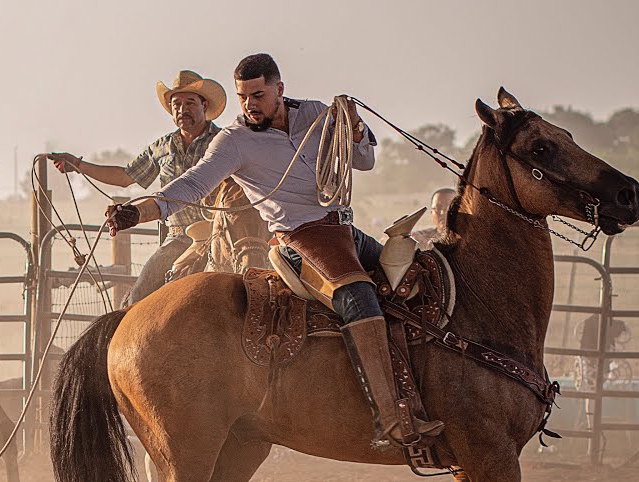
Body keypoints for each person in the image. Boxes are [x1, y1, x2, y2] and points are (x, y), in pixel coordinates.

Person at [106, 53, 443, 448]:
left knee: (415, 275)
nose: (250, 105)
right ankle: (389, 417)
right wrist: (139, 211)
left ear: (279, 89)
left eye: (258, 95)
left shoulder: (317, 115)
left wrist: (356, 128)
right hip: (301, 238)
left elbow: (365, 160)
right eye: (243, 97)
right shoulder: (234, 141)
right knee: (358, 297)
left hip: (343, 229)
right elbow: (191, 185)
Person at [47, 71, 227, 304]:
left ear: (204, 105)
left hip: (221, 235)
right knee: (139, 298)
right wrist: (79, 165)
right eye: (176, 104)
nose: (182, 110)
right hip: (179, 237)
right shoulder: (162, 147)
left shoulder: (224, 142)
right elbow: (125, 176)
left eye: (190, 103)